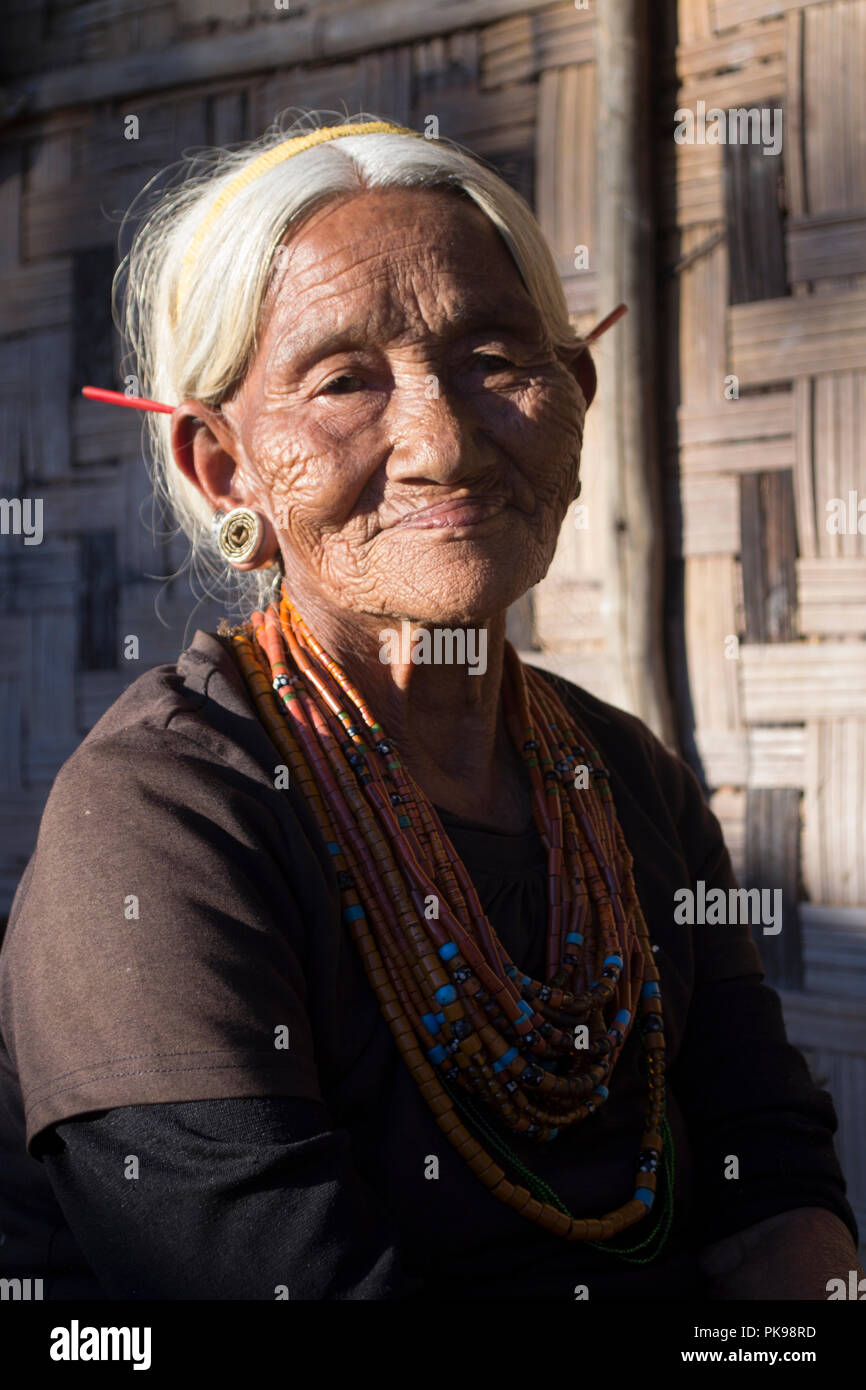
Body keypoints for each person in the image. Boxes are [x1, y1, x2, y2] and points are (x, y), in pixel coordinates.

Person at [0, 114, 860, 1301]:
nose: (442, 445)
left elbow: (768, 1176)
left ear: (575, 392)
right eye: (345, 379)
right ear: (221, 464)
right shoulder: (162, 819)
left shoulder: (624, 776)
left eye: (496, 360)